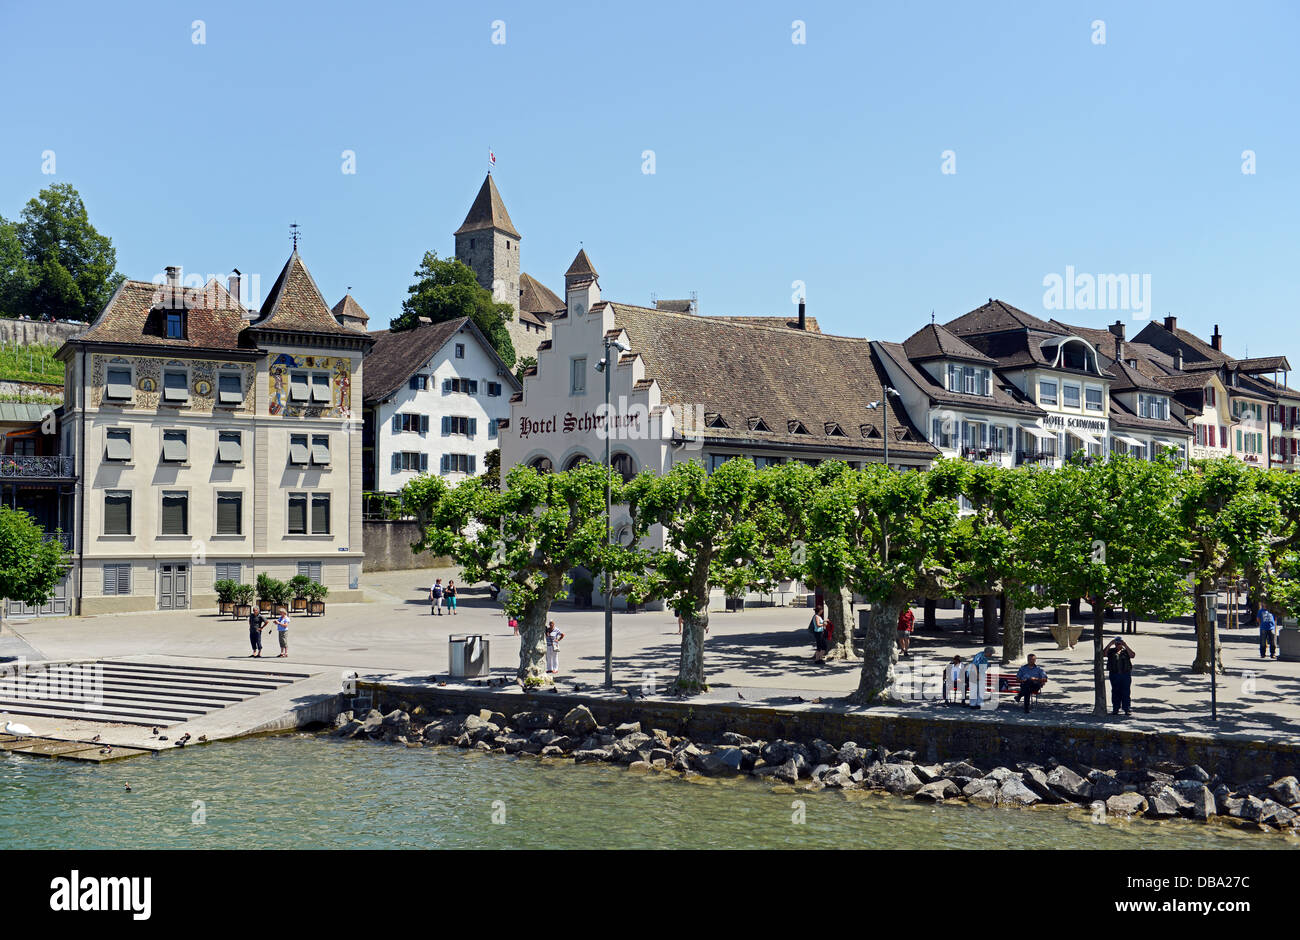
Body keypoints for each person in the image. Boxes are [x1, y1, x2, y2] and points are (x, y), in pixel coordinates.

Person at [1104, 637, 1136, 715]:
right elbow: (1104, 654)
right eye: (1117, 643)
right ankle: (1116, 708)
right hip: (1114, 674)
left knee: (1126, 692)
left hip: (1125, 674)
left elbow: (1132, 655)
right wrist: (1110, 644)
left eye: (1119, 643)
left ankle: (1126, 708)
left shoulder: (1125, 651)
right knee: (1115, 691)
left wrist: (1125, 645)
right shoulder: (1111, 651)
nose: (1118, 645)